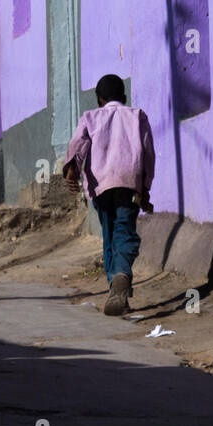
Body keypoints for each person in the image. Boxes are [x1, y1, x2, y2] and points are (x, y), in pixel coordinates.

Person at [62, 75, 155, 316]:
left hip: (100, 185)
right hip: (129, 182)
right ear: (124, 98)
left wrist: (72, 167)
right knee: (125, 229)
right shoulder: (137, 116)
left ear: (99, 100)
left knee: (109, 232)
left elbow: (78, 145)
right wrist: (145, 187)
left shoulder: (90, 117)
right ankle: (121, 278)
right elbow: (148, 154)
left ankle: (116, 283)